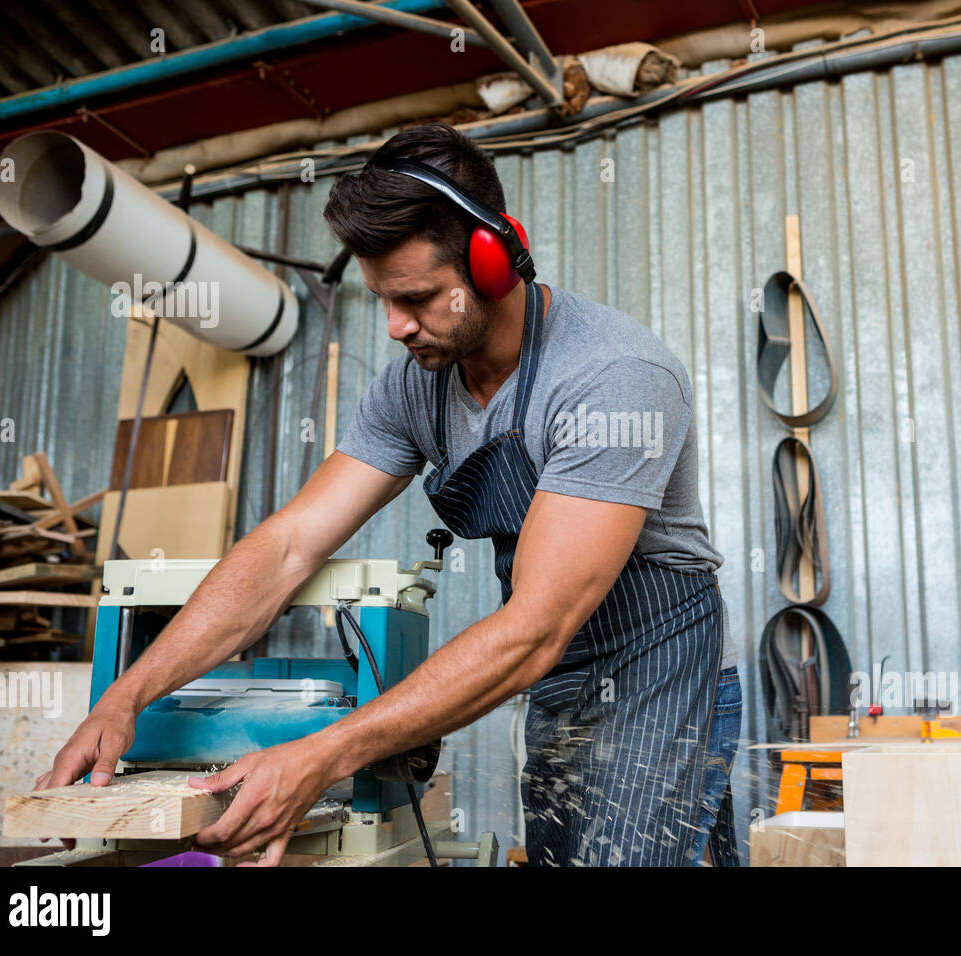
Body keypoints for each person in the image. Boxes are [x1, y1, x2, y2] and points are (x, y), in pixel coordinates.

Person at [38, 123, 742, 867]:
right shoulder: (416, 386)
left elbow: (535, 626)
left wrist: (326, 752)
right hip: (561, 677)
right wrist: (128, 694)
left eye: (419, 298)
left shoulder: (614, 378)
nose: (397, 326)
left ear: (493, 264)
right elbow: (287, 547)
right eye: (382, 298)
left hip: (657, 672)